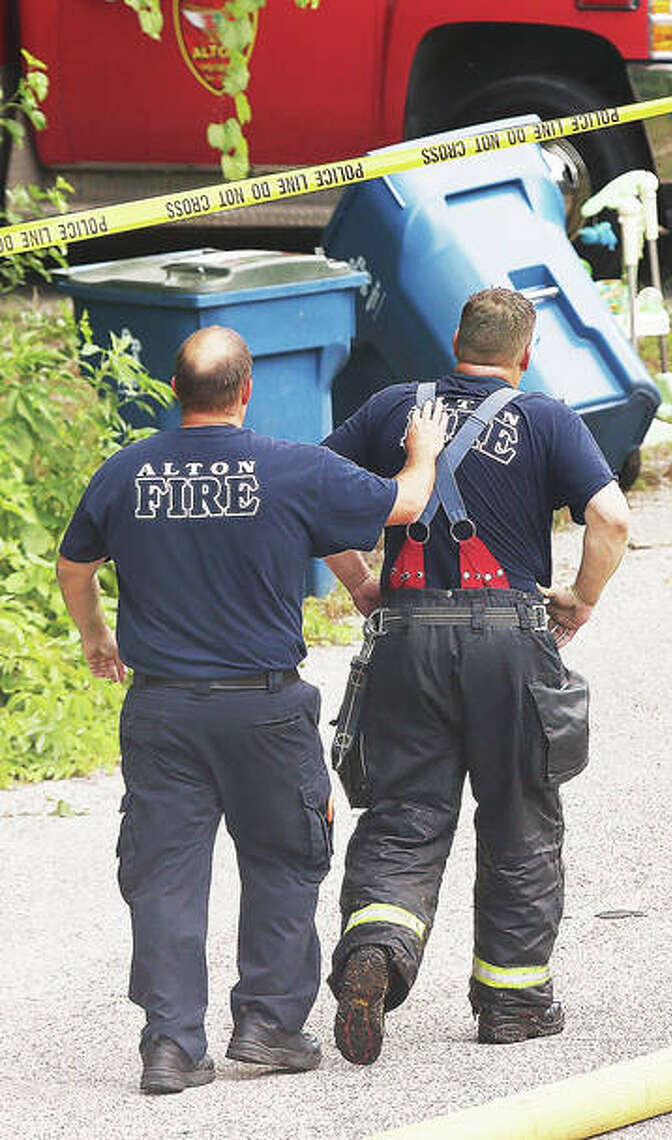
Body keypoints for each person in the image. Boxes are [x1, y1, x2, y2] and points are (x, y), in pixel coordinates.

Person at [56, 326, 446, 1094]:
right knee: (282, 861)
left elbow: (74, 566)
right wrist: (423, 450)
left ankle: (169, 1047)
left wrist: (98, 637)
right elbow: (404, 504)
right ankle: (267, 1027)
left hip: (162, 712)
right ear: (246, 390)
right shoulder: (290, 467)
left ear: (175, 392)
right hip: (264, 711)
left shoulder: (125, 471)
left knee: (164, 875)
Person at [321, 286, 630, 1062]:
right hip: (509, 643)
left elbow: (315, 495)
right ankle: (514, 1002)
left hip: (407, 641)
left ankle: (378, 953)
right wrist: (583, 602)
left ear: (454, 336)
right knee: (520, 820)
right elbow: (613, 518)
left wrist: (362, 582)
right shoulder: (547, 417)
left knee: (403, 814)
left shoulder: (395, 408)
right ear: (525, 355)